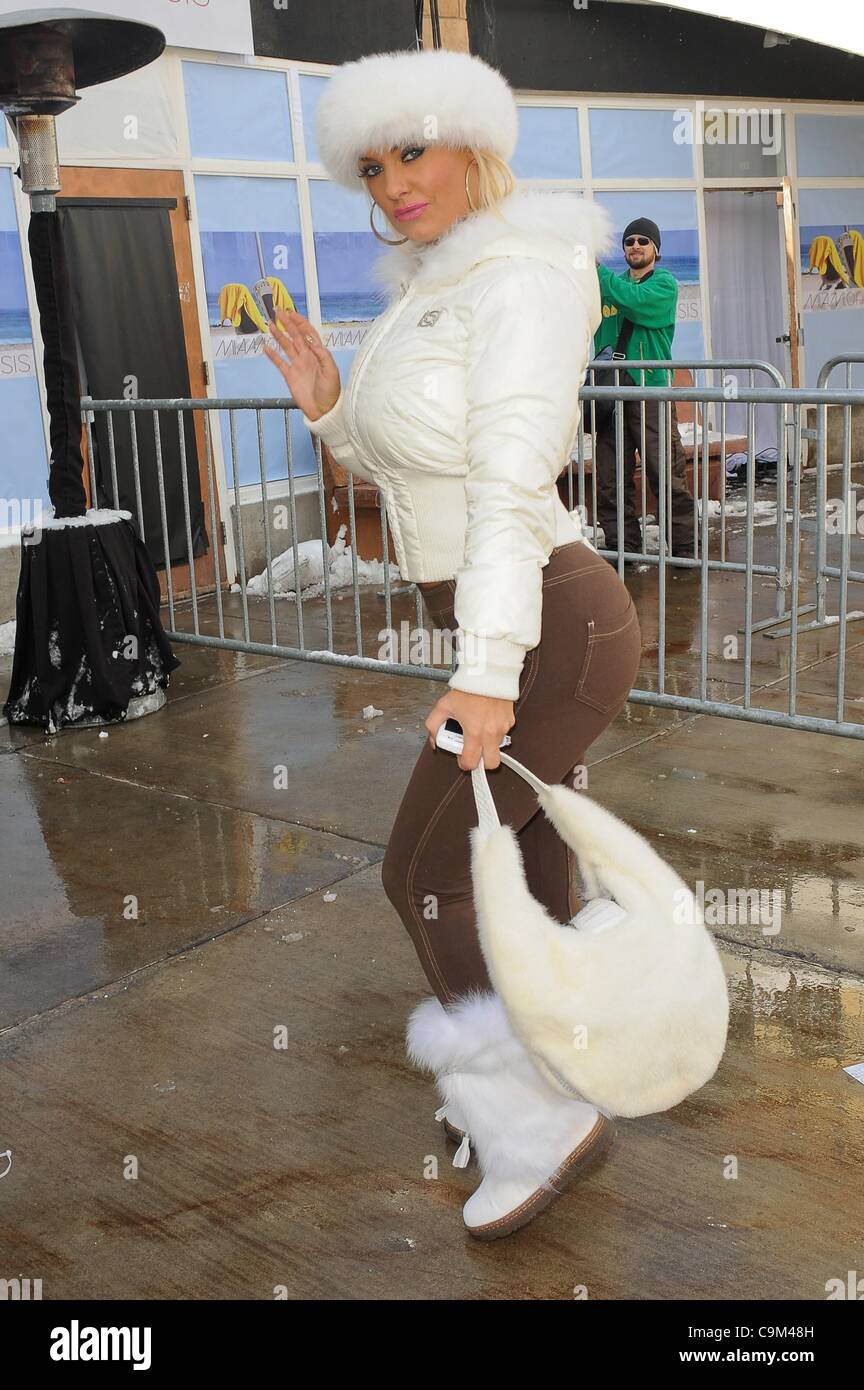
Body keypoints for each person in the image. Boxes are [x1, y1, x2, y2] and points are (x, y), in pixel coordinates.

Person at [263, 47, 642, 1241]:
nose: (391, 186)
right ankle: (563, 1067)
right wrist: (333, 406)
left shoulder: (523, 273)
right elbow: (413, 476)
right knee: (524, 870)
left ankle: (532, 1118)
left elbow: (504, 480)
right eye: (371, 168)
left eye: (410, 151)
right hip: (506, 620)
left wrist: (484, 675)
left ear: (476, 142)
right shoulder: (435, 287)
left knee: (423, 871)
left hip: (546, 623)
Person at [593, 217, 695, 559]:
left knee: (666, 475)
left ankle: (683, 551)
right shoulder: (610, 284)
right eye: (629, 241)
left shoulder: (663, 283)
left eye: (642, 240)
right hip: (611, 394)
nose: (635, 245)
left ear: (655, 249)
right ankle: (623, 549)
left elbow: (633, 301)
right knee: (610, 479)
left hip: (650, 390)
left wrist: (595, 269)